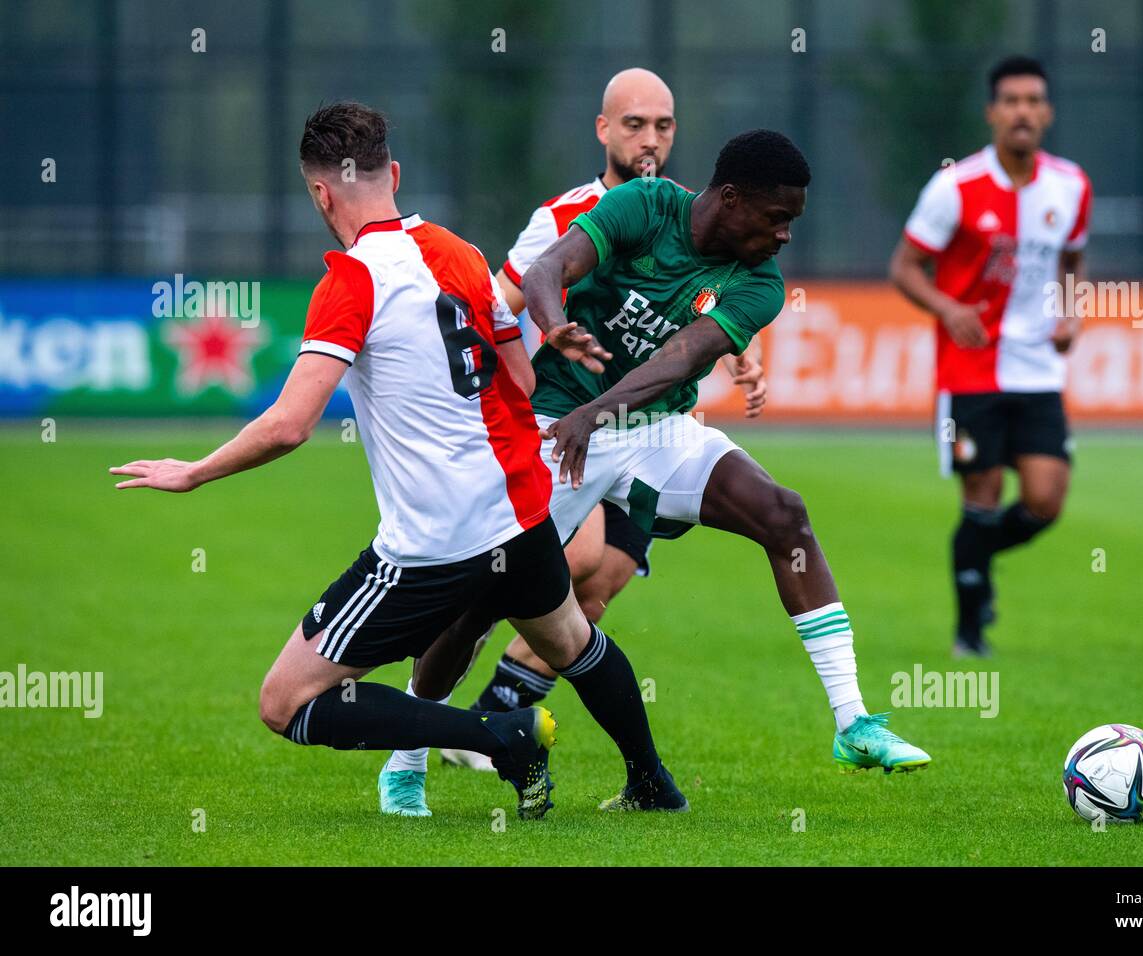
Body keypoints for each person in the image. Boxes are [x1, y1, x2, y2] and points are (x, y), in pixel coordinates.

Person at [109, 101, 676, 820]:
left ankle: (501, 736)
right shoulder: (461, 253)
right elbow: (525, 382)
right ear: (394, 173)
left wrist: (192, 472)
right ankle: (654, 784)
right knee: (572, 640)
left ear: (320, 193)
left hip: (434, 541)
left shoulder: (351, 280)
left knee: (284, 703)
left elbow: (289, 426)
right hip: (519, 506)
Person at [415, 128, 932, 805]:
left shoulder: (760, 284)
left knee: (785, 515)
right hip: (554, 428)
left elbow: (682, 360)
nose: (784, 236)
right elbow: (547, 271)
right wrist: (556, 323)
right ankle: (406, 758)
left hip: (653, 428)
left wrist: (599, 412)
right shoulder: (647, 206)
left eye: (793, 222)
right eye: (777, 218)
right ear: (730, 198)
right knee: (478, 601)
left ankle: (852, 722)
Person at [383, 68, 766, 792]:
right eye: (634, 125)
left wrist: (742, 356)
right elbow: (497, 307)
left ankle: (500, 716)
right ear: (603, 130)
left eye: (662, 125)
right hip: (561, 429)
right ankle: (426, 738)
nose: (649, 139)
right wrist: (516, 373)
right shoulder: (565, 216)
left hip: (646, 437)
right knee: (519, 581)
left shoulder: (685, 214)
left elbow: (700, 310)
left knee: (599, 584)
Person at [889, 55, 1092, 657]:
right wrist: (948, 309)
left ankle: (975, 561)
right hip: (970, 368)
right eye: (1011, 101)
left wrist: (1073, 311)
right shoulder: (955, 187)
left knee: (1045, 500)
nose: (1023, 111)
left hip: (1037, 370)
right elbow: (903, 267)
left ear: (1047, 113)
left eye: (1033, 100)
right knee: (979, 495)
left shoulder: (1071, 185)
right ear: (993, 112)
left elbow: (1074, 260)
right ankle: (970, 632)